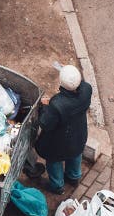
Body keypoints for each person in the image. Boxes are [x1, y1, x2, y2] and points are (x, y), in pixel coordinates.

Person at [34, 64, 92, 194]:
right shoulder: (87, 90)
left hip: (58, 142)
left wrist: (44, 107)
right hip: (78, 135)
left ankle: (57, 186)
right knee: (75, 154)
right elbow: (81, 85)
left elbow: (45, 123)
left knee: (54, 160)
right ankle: (73, 178)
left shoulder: (57, 104)